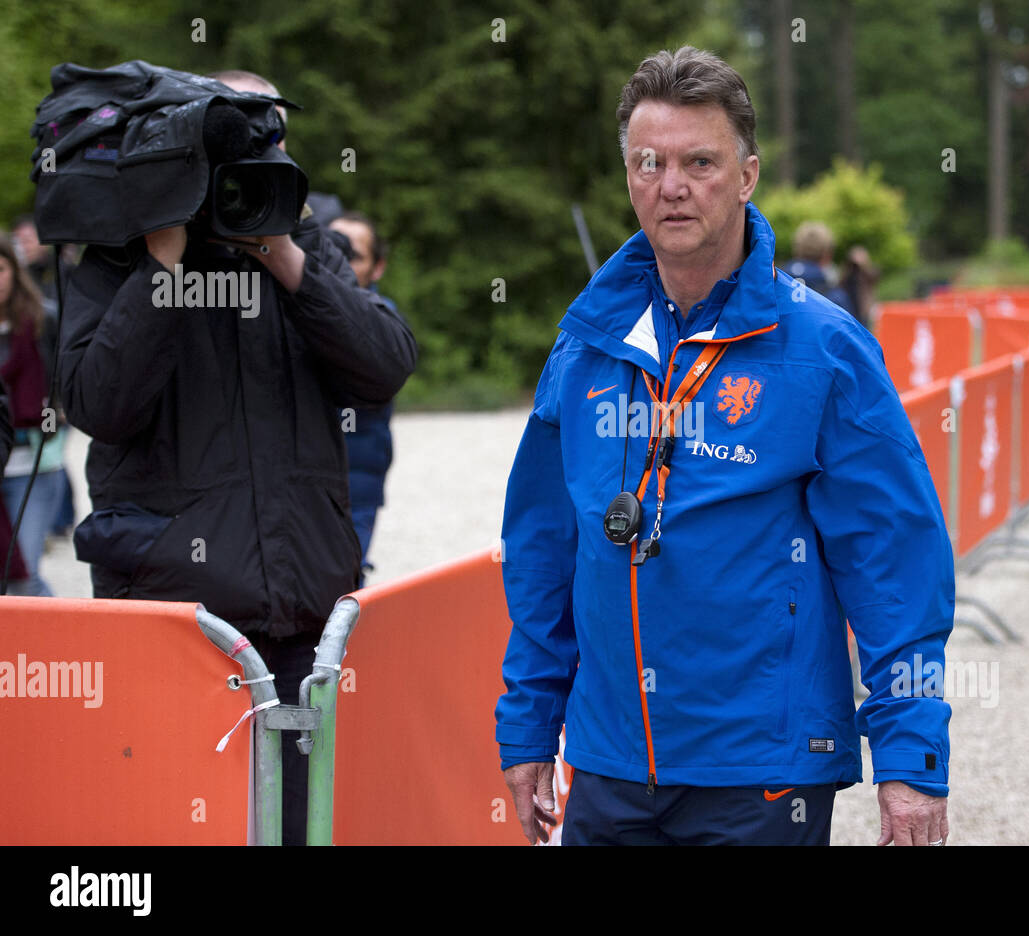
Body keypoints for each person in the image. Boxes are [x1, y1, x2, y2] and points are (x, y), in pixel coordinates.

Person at [495, 47, 954, 846]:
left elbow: (894, 562)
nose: (671, 185)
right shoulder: (585, 346)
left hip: (763, 774)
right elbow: (542, 551)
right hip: (607, 767)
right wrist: (530, 724)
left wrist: (910, 762)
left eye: (698, 161)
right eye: (650, 163)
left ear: (746, 176)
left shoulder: (825, 350)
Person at [59, 69, 417, 845]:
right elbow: (99, 405)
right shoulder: (117, 260)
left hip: (298, 616)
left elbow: (385, 363)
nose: (259, 150)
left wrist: (285, 259)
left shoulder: (302, 242)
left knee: (295, 824)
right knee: (167, 828)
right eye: (234, 134)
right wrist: (163, 269)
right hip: (171, 624)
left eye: (273, 133)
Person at [328, 211, 405, 580]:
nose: (337, 260)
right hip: (304, 488)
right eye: (330, 248)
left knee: (343, 585)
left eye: (352, 254)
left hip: (356, 484)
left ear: (377, 269)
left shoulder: (381, 319)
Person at [0, 236, 69, 596]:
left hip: (34, 466)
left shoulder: (43, 320)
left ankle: (58, 647)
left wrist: (55, 413)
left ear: (14, 270)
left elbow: (63, 378)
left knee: (23, 572)